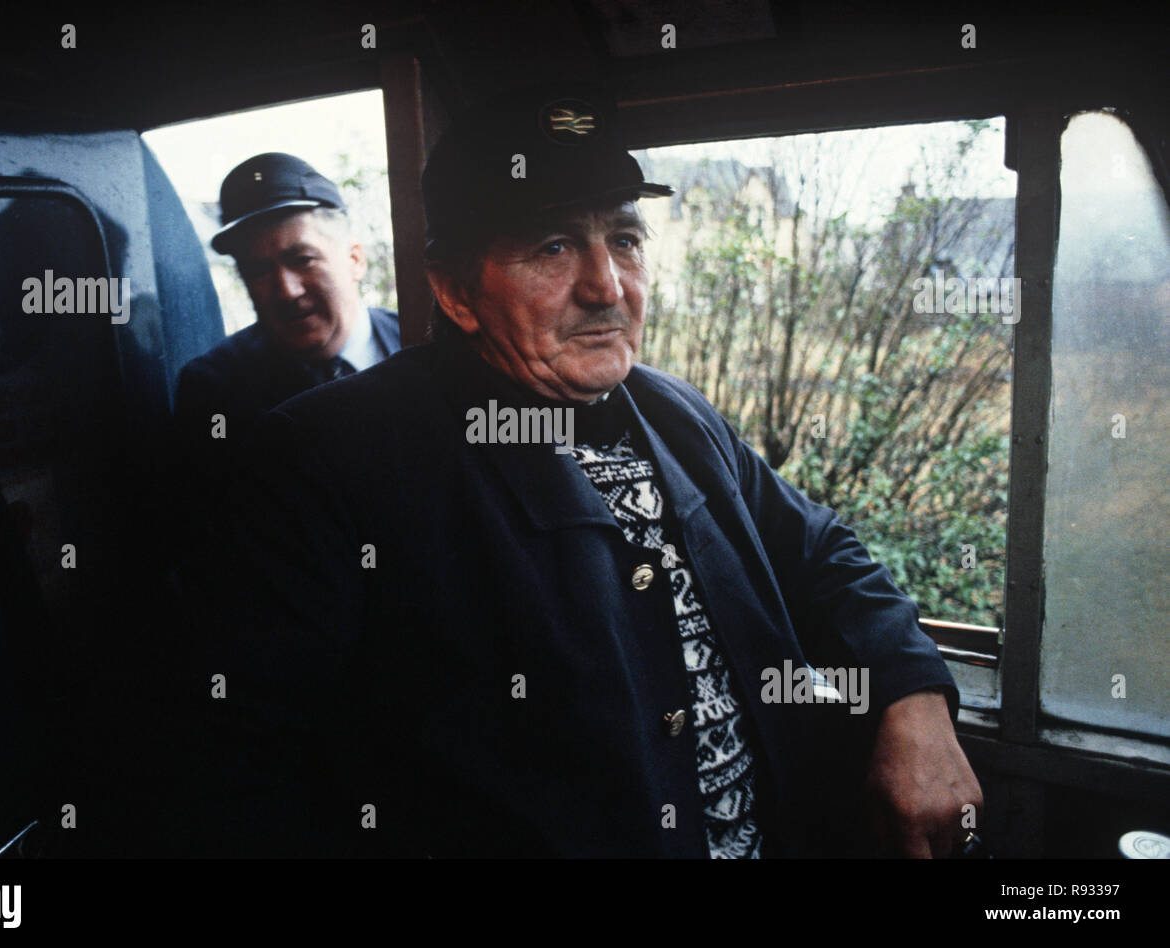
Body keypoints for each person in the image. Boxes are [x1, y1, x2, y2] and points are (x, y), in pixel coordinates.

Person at [192, 86, 983, 858]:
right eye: (553, 246)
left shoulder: (675, 411)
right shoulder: (330, 457)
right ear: (457, 291)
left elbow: (821, 553)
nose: (608, 286)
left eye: (625, 239)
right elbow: (255, 768)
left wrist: (913, 701)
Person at [173, 153, 400, 498]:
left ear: (355, 259)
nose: (286, 291)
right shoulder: (216, 389)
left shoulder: (426, 345)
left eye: (303, 260)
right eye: (258, 270)